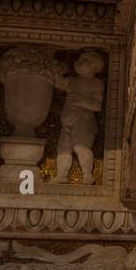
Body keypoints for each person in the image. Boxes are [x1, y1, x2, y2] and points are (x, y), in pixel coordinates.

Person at [55, 52, 105, 185]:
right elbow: (57, 82)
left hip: (84, 121)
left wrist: (83, 101)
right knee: (63, 149)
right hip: (67, 121)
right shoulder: (72, 81)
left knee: (81, 147)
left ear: (96, 67)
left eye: (84, 60)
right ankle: (61, 176)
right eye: (78, 59)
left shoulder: (96, 83)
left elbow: (98, 105)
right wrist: (55, 70)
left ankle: (87, 176)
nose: (78, 62)